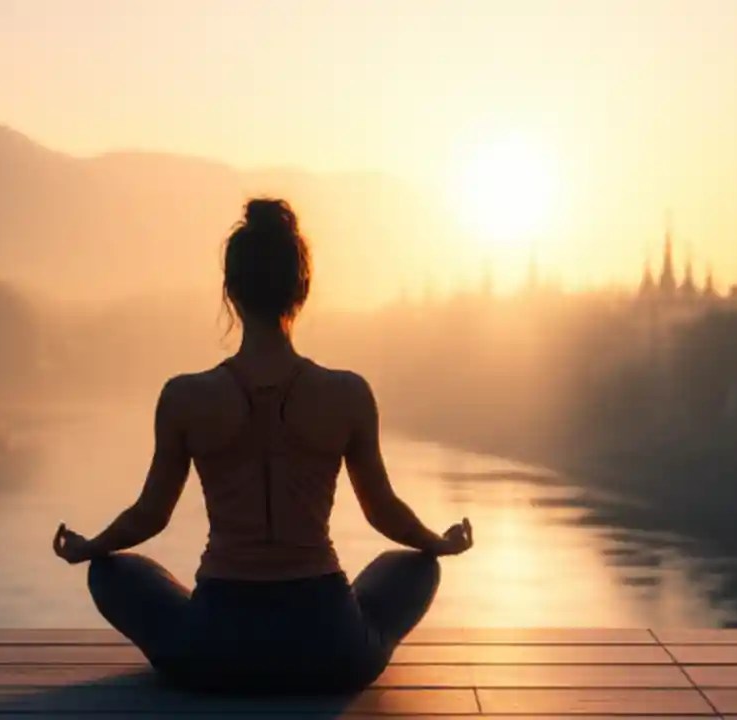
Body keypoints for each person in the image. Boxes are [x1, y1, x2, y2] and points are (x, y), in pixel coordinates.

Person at [52, 198, 473, 693]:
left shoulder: (185, 396)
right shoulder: (347, 393)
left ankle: (191, 643)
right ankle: (359, 640)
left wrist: (90, 548)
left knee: (111, 573)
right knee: (414, 566)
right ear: (303, 289)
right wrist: (438, 544)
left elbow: (150, 515)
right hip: (331, 648)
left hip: (215, 648)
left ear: (230, 291)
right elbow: (382, 510)